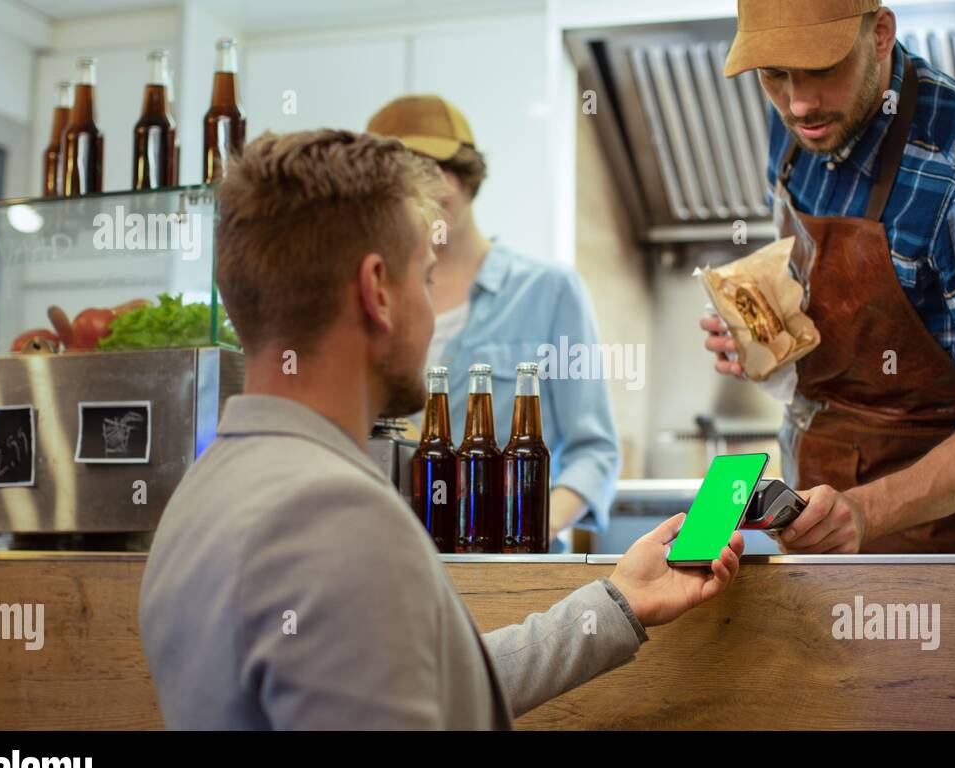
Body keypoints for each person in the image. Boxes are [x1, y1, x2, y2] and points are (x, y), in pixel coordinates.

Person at [139, 129, 744, 729]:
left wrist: (616, 605)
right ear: (378, 291)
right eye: (426, 279)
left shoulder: (198, 494)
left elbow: (422, 681)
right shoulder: (334, 515)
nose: (435, 312)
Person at [702, 0, 955, 554]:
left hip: (938, 549)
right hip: (811, 509)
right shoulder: (796, 127)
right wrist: (767, 341)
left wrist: (866, 510)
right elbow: (823, 301)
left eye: (822, 70)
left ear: (882, 33)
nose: (798, 103)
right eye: (774, 75)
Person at [367, 95, 618, 551]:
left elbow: (594, 451)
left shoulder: (549, 290)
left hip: (509, 569)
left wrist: (527, 530)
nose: (415, 197)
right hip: (398, 558)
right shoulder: (375, 297)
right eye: (392, 186)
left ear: (463, 177)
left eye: (428, 172)